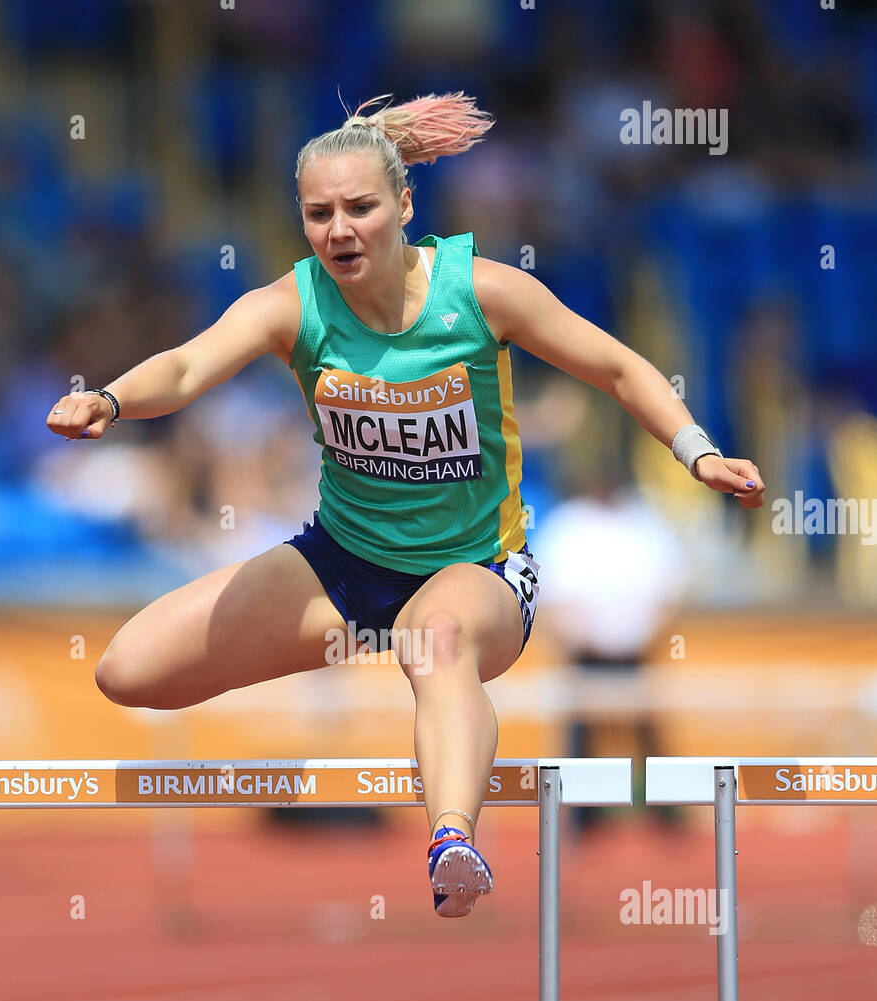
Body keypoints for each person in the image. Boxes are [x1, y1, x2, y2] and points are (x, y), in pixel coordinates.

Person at [46, 91, 765, 919]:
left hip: (475, 570)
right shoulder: (293, 305)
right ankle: (358, 644)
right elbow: (182, 367)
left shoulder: (482, 294)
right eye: (318, 214)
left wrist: (697, 451)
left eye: (359, 208)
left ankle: (452, 841)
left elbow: (616, 367)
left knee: (435, 637)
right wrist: (107, 398)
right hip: (343, 568)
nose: (339, 230)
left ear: (405, 206)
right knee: (128, 673)